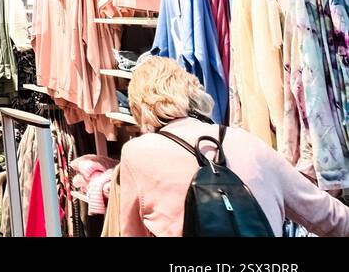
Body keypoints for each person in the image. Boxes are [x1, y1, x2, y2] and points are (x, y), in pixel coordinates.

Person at [117, 56, 349, 237]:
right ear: (193, 93)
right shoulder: (248, 142)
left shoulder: (137, 153)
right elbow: (328, 216)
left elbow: (130, 231)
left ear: (140, 109)